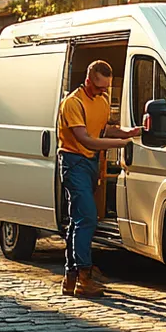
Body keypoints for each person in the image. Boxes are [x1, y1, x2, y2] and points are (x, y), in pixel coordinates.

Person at [57, 61, 140, 298]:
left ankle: (70, 277)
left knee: (78, 220)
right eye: (99, 86)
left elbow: (104, 130)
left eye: (106, 87)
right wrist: (123, 144)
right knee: (87, 218)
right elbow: (87, 140)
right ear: (88, 80)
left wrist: (130, 132)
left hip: (91, 164)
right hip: (74, 162)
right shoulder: (73, 103)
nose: (103, 91)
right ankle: (84, 278)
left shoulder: (102, 100)